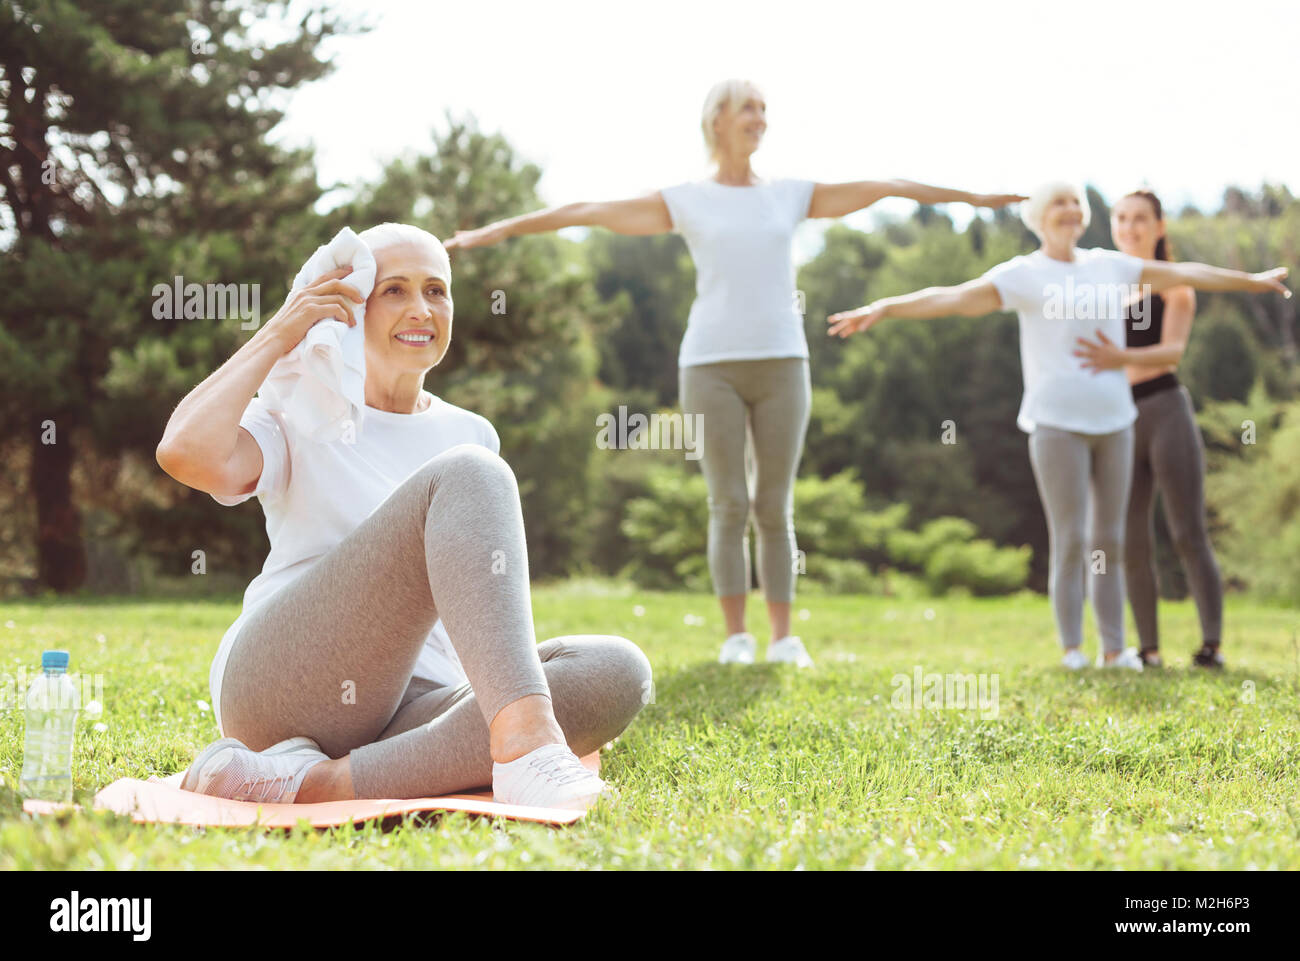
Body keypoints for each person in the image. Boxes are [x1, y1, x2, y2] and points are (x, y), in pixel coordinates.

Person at [445, 78, 1023, 668]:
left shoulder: (792, 194)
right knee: (728, 503)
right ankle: (736, 638)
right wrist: (491, 233)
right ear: (716, 120)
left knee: (774, 504)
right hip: (709, 364)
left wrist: (975, 199)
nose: (760, 118)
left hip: (783, 362)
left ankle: (782, 638)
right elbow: (586, 211)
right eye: (748, 107)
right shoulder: (687, 199)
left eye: (765, 109)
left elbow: (888, 186)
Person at [155, 223, 652, 809]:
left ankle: (313, 784)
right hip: (286, 685)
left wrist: (496, 690)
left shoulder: (472, 431)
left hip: (414, 705)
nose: (420, 308)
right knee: (470, 472)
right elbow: (184, 454)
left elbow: (483, 603)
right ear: (350, 307)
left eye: (435, 290)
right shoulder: (298, 411)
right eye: (394, 290)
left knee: (617, 669)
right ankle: (523, 745)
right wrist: (283, 327)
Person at [828, 182, 1289, 670]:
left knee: (1108, 539)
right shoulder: (1024, 274)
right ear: (1039, 218)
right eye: (1058, 204)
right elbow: (955, 297)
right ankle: (1073, 647)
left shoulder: (1109, 267)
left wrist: (1252, 280)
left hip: (1116, 421)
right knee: (1071, 537)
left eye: (1075, 202)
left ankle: (1115, 649)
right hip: (1055, 424)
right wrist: (887, 307)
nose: (1069, 210)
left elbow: (1184, 273)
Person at [1074, 189, 1225, 668]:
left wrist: (1118, 358)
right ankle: (1150, 649)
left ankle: (1211, 645)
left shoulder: (1174, 285)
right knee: (1130, 538)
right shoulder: (1104, 289)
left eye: (1140, 218)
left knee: (1186, 532)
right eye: (1121, 218)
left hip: (1165, 410)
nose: (1130, 227)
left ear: (1159, 227)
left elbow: (1171, 352)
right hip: (1119, 417)